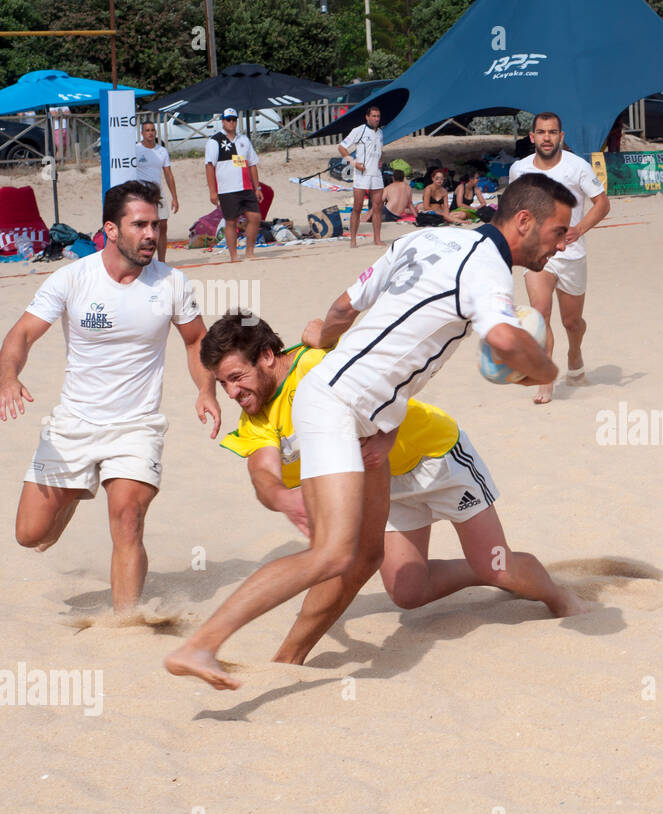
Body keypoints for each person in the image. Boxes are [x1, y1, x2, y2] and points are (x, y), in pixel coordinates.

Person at [164, 174, 571, 690]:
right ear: (524, 221)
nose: (563, 242)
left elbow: (343, 309)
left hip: (362, 415)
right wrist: (545, 371)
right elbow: (505, 339)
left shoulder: (421, 237)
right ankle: (202, 645)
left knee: (367, 557)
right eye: (559, 231)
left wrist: (325, 337)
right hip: (339, 406)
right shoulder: (487, 269)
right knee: (331, 554)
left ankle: (286, 658)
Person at [201, 312, 583, 664]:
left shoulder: (318, 363)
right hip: (385, 482)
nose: (232, 393)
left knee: (498, 565)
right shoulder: (257, 416)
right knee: (409, 592)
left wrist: (388, 428)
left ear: (267, 356)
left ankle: (560, 596)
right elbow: (262, 474)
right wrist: (284, 498)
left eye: (236, 378)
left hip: (436, 457)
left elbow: (392, 371)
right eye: (222, 384)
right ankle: (479, 571)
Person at [0, 180, 220, 614]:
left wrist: (205, 389)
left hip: (136, 426)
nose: (151, 235)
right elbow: (22, 333)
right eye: (140, 224)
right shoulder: (73, 278)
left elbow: (196, 341)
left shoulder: (173, 283)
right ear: (111, 230)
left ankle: (126, 623)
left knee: (127, 519)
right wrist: (8, 376)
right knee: (31, 535)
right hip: (74, 425)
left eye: (155, 225)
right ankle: (77, 489)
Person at [508, 112, 610, 404]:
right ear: (532, 137)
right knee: (540, 313)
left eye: (553, 132)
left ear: (561, 136)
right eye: (541, 132)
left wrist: (579, 229)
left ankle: (574, 353)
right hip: (537, 254)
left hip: (571, 253)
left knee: (572, 321)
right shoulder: (519, 169)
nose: (547, 137)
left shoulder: (577, 167)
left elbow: (602, 204)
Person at [204, 108, 263, 263]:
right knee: (231, 221)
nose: (231, 122)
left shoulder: (243, 139)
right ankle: (234, 256)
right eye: (228, 119)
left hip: (246, 187)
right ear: (223, 121)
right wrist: (212, 191)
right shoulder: (214, 141)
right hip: (227, 189)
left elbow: (252, 164)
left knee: (255, 217)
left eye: (233, 119)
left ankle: (249, 252)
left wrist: (257, 187)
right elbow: (209, 166)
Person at [340, 105, 385, 247]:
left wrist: (379, 160)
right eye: (374, 116)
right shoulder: (358, 130)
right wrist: (353, 163)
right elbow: (341, 147)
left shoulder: (380, 133)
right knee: (357, 206)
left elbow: (378, 150)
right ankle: (353, 240)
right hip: (361, 173)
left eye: (378, 116)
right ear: (367, 117)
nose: (376, 119)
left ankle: (377, 239)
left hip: (376, 174)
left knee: (377, 206)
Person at [134, 119, 178, 262]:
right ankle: (143, 259)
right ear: (142, 133)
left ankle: (161, 261)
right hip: (141, 194)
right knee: (144, 227)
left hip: (158, 193)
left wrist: (175, 197)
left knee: (162, 226)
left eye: (152, 130)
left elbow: (168, 174)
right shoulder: (136, 149)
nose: (150, 133)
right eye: (147, 130)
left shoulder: (162, 151)